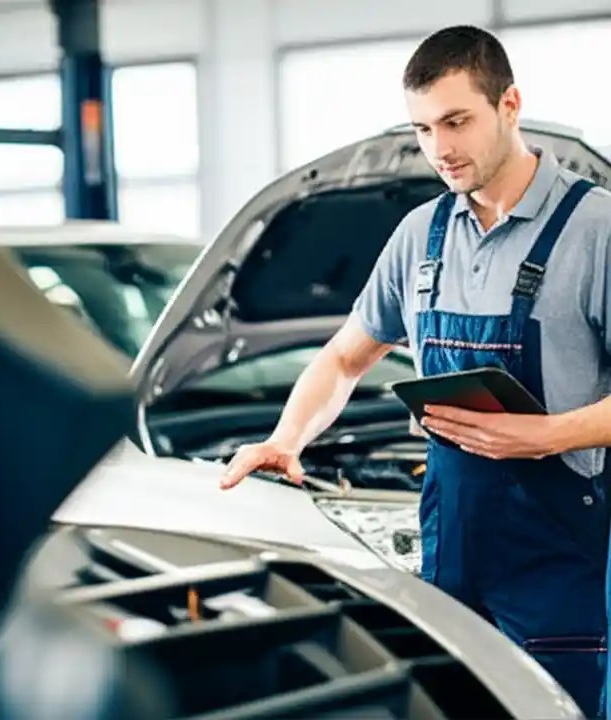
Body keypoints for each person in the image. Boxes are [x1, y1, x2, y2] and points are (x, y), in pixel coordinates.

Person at [217, 25, 611, 716]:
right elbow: (346, 356)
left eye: (457, 121)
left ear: (510, 105)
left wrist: (546, 434)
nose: (440, 148)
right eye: (424, 128)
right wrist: (289, 437)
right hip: (451, 560)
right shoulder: (419, 236)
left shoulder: (596, 230)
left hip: (561, 568)